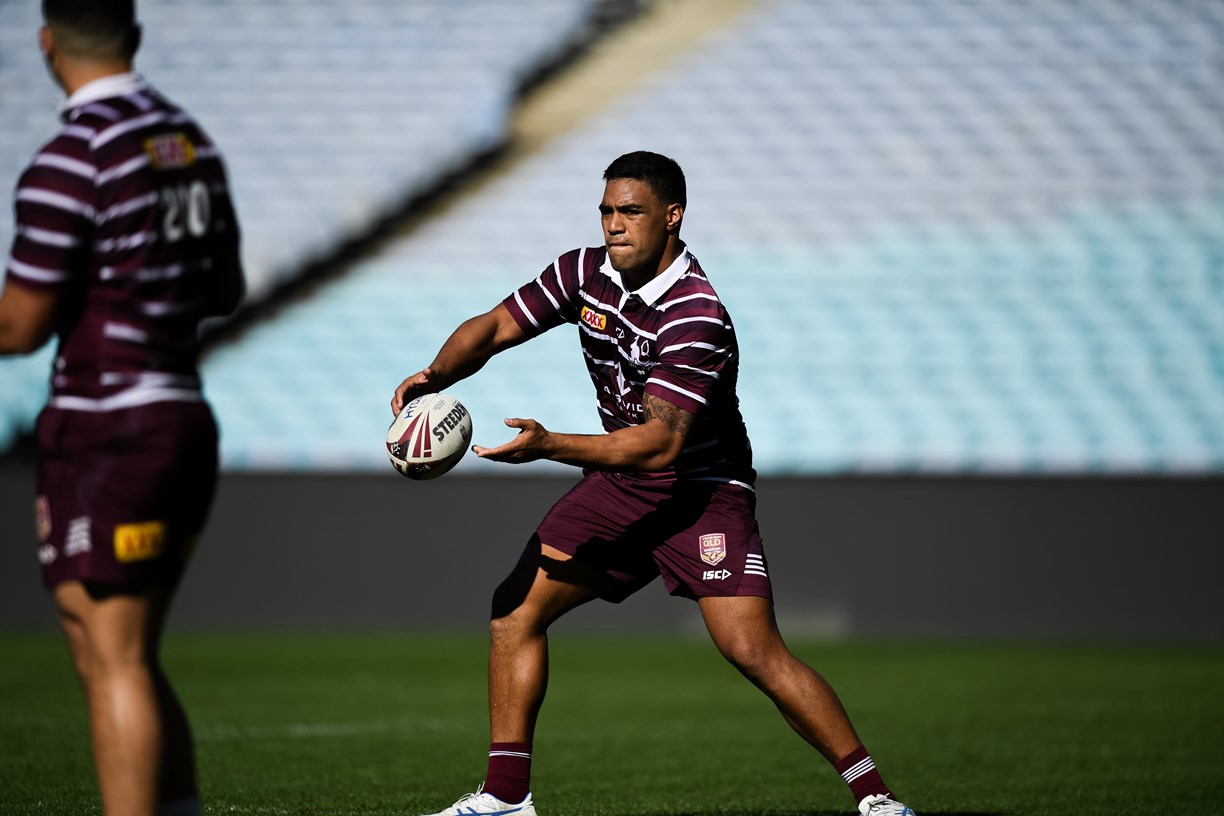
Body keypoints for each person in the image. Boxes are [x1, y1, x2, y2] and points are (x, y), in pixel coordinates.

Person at [391, 151, 914, 816]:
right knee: (514, 610)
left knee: (753, 651)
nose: (614, 224)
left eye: (630, 211)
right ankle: (506, 798)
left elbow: (661, 443)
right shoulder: (585, 273)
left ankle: (877, 801)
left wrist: (551, 445)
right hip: (621, 485)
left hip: (700, 493)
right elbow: (494, 326)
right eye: (607, 210)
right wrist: (435, 375)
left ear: (673, 217)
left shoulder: (697, 314)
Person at [0, 1, 245, 814]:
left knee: (114, 655)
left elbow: (21, 325)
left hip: (110, 420)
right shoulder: (189, 142)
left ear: (46, 43)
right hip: (178, 409)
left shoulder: (72, 158)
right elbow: (227, 287)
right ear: (133, 36)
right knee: (120, 652)